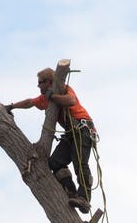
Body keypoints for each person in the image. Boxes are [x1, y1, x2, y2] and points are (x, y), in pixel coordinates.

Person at [6, 68, 96, 214]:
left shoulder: (63, 89)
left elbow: (71, 100)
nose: (38, 86)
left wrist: (53, 96)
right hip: (70, 134)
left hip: (82, 129)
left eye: (40, 83)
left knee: (80, 163)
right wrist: (11, 106)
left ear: (48, 82)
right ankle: (71, 192)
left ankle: (84, 199)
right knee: (55, 163)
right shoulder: (45, 98)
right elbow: (30, 102)